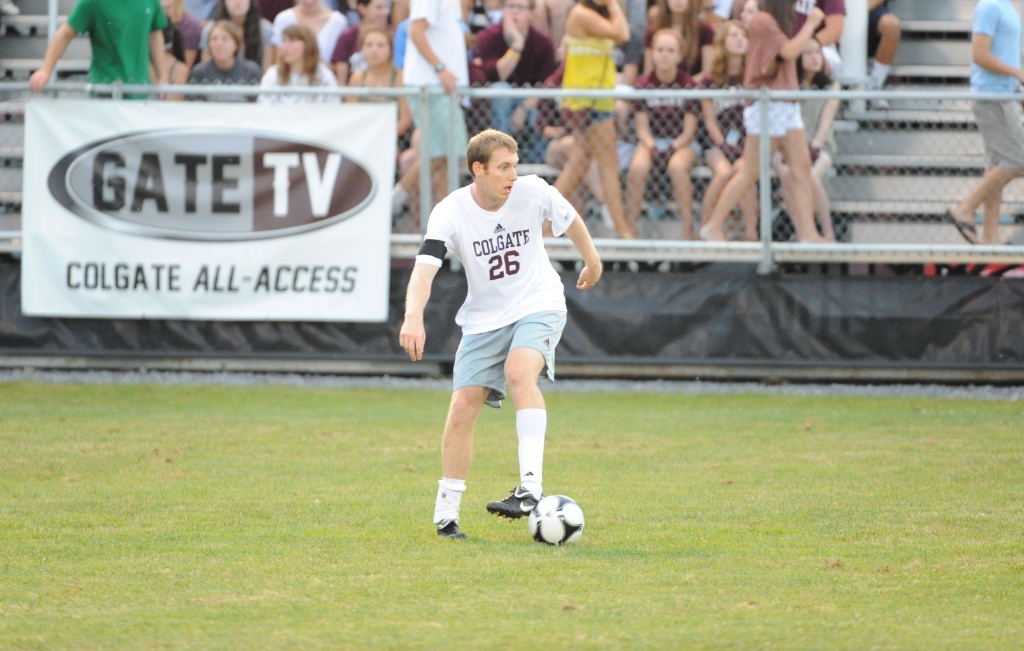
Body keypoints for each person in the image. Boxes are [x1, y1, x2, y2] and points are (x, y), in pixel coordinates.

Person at [399, 129, 602, 540]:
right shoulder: (450, 211)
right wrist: (412, 316)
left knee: (518, 373)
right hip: (484, 319)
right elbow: (424, 270)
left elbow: (570, 219)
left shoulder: (532, 191)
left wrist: (593, 262)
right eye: (503, 168)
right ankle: (447, 517)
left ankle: (530, 489)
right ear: (478, 169)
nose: (513, 176)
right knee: (461, 408)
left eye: (515, 166)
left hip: (538, 302)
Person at [699, 0, 828, 243]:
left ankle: (808, 233)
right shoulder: (763, 20)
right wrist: (811, 25)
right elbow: (788, 52)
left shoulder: (777, 22)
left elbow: (776, 60)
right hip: (769, 104)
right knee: (751, 169)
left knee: (801, 169)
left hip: (786, 103)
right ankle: (713, 225)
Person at [556, 0, 635, 238]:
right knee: (608, 164)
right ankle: (623, 229)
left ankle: (540, 224)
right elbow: (623, 33)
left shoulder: (595, 16)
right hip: (588, 100)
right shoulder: (581, 14)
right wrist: (613, 5)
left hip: (596, 99)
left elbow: (621, 31)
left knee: (578, 164)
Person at [949, 0, 1024, 245]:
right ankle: (965, 208)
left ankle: (991, 236)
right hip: (992, 97)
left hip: (1004, 95)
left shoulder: (1008, 7)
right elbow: (980, 55)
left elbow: (1005, 53)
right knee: (1017, 158)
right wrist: (1017, 73)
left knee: (997, 163)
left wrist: (1016, 90)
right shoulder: (990, 6)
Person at [625, 29, 700, 237]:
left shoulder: (688, 85)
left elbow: (689, 131)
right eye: (660, 50)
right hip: (652, 141)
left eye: (670, 50)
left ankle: (687, 230)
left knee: (677, 166)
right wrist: (652, 146)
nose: (664, 55)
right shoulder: (643, 85)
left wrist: (672, 148)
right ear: (652, 53)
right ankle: (630, 229)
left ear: (679, 55)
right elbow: (642, 128)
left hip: (682, 143)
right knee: (637, 168)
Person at [403, 0, 471, 206]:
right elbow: (416, 30)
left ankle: (443, 223)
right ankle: (387, 204)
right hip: (431, 86)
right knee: (440, 156)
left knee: (445, 160)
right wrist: (440, 68)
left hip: (441, 88)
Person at [29, 0, 170, 95]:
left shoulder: (150, 1)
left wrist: (163, 77)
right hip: (104, 92)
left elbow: (155, 35)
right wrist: (45, 70)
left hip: (140, 93)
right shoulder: (93, 2)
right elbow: (65, 34)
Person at [774, 36, 838, 241]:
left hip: (820, 145)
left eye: (817, 52)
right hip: (789, 146)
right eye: (808, 53)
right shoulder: (789, 86)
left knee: (809, 176)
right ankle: (802, 231)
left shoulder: (832, 86)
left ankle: (828, 232)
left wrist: (815, 147)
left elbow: (826, 121)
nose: (814, 57)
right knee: (787, 174)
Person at [698, 19, 756, 240]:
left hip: (748, 143)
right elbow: (710, 120)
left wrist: (743, 147)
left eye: (743, 35)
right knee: (723, 173)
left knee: (744, 172)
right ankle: (705, 228)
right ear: (722, 42)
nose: (739, 40)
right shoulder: (710, 80)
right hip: (717, 143)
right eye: (733, 35)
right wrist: (723, 145)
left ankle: (751, 235)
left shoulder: (753, 77)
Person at [474, 0, 557, 134]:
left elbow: (545, 84)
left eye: (520, 7)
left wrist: (524, 109)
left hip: (529, 98)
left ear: (531, 13)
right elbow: (497, 76)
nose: (514, 12)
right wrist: (517, 45)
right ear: (502, 9)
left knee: (538, 111)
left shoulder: (543, 43)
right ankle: (501, 145)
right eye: (510, 6)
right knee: (501, 90)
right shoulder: (487, 37)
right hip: (497, 100)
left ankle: (537, 148)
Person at [258, 24, 341, 102]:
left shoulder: (324, 75)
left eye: (291, 41)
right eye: (283, 41)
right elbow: (264, 105)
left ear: (307, 45)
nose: (284, 46)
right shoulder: (273, 74)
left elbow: (333, 105)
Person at [189, 20, 264, 99]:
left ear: (236, 44)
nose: (219, 43)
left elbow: (257, 102)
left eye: (225, 39)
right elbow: (193, 103)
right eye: (214, 39)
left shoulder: (251, 71)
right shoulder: (199, 72)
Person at [644, 0, 713, 79]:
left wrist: (687, 83)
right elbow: (648, 71)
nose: (678, 1)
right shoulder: (653, 31)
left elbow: (707, 71)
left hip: (694, 85)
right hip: (660, 84)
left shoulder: (705, 30)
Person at [200, 0, 275, 70]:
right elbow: (206, 70)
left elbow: (266, 71)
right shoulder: (210, 30)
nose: (238, 2)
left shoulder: (265, 30)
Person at [331, 0, 393, 84]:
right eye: (379, 7)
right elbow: (341, 80)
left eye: (386, 7)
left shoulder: (394, 34)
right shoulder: (347, 36)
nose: (385, 12)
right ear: (362, 8)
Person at [272, 0, 349, 64]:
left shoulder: (339, 22)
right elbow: (277, 60)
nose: (309, 1)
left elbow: (341, 66)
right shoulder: (282, 19)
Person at [793, 0, 844, 77]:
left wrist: (804, 47)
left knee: (813, 57)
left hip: (822, 46)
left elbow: (835, 29)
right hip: (787, 44)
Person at [867, 0, 900, 107]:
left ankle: (874, 87)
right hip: (833, 11)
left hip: (870, 10)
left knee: (891, 25)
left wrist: (859, 13)